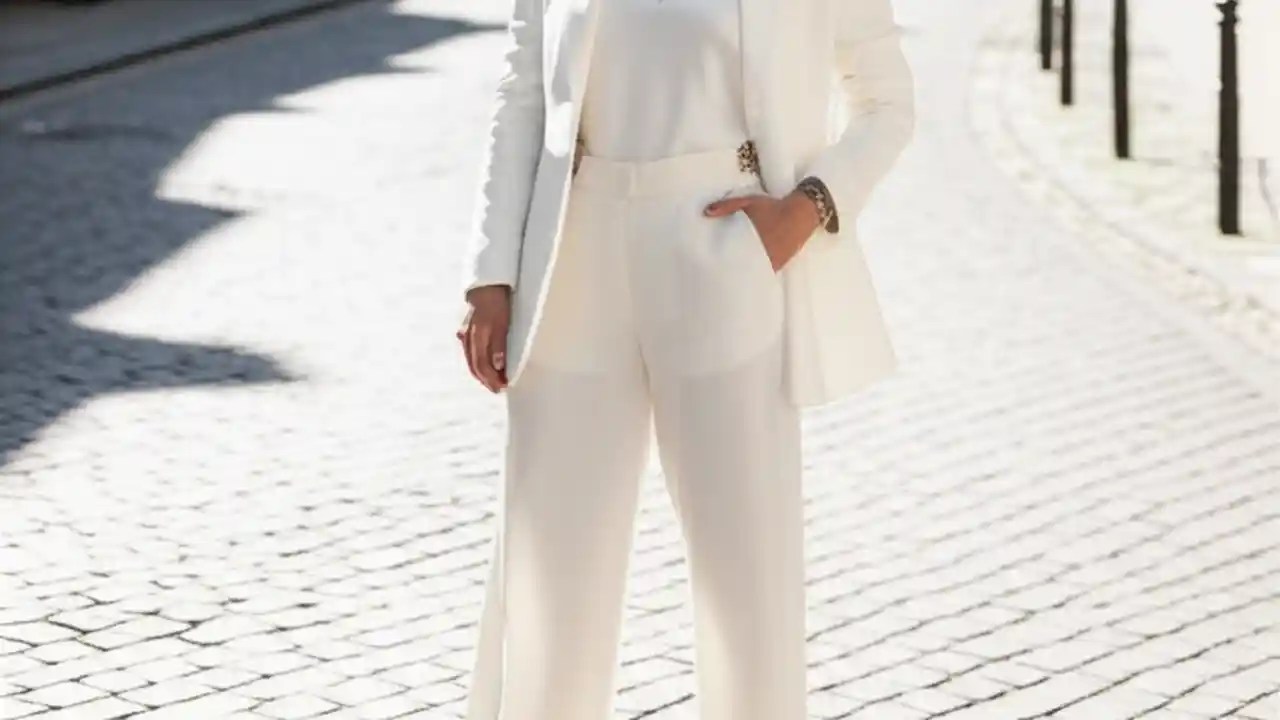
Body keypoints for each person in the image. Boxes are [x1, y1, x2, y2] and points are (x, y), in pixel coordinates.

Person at [455, 0, 916, 717]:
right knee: (549, 570)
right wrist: (491, 273)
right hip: (573, 259)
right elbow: (522, 90)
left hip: (724, 247)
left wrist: (806, 211)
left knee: (745, 578)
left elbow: (886, 103)